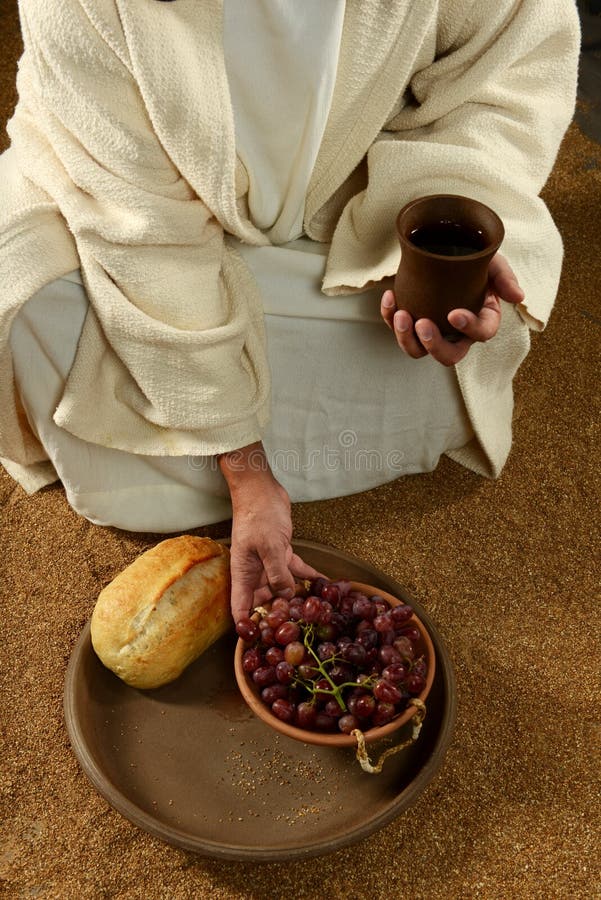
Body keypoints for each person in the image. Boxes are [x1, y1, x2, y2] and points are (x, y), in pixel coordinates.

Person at [0, 0, 580, 620]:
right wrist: (248, 475)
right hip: (123, 208)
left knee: (502, 303)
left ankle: (175, 448)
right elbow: (141, 233)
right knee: (32, 294)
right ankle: (210, 434)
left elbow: (510, 67)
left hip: (353, 196)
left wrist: (435, 232)